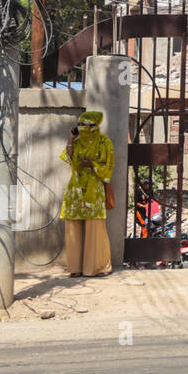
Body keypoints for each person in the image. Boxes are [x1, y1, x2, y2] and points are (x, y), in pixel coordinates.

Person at [60, 110, 115, 278]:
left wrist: (92, 165)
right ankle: (74, 268)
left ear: (95, 126)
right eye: (80, 125)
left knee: (95, 229)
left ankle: (97, 268)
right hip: (75, 189)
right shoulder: (75, 142)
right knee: (72, 228)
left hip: (95, 188)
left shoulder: (104, 142)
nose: (83, 128)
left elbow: (109, 166)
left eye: (87, 125)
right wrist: (70, 139)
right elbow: (68, 159)